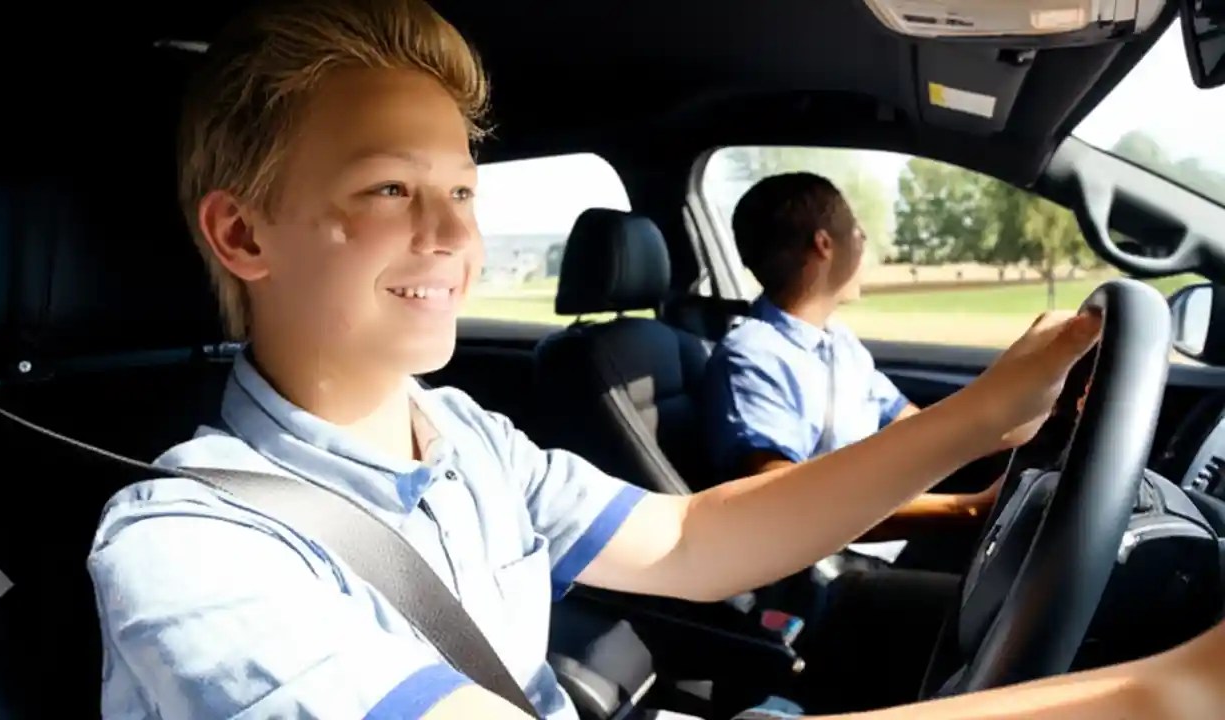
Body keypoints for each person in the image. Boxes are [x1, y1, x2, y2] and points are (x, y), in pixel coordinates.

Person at [85, 1, 1225, 718]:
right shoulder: (189, 553)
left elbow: (688, 537)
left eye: (463, 193)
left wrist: (980, 415)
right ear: (241, 235)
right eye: (389, 189)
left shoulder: (465, 437)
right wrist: (1157, 694)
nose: (453, 236)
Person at [704, 173, 998, 542]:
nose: (865, 243)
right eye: (859, 232)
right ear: (824, 244)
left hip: (884, 542)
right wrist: (967, 509)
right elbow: (778, 502)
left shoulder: (838, 341)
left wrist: (1020, 422)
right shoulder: (752, 359)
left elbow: (914, 429)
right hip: (828, 568)